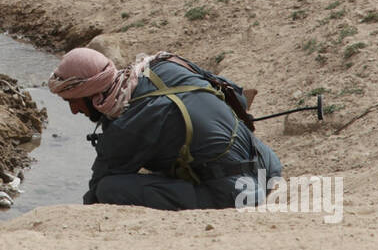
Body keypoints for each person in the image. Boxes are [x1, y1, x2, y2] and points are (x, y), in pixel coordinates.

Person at [47, 47, 283, 210]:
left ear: (94, 95)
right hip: (268, 166)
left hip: (240, 195)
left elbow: (98, 187)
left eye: (73, 101)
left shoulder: (129, 124)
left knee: (109, 188)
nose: (74, 111)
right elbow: (238, 100)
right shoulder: (163, 64)